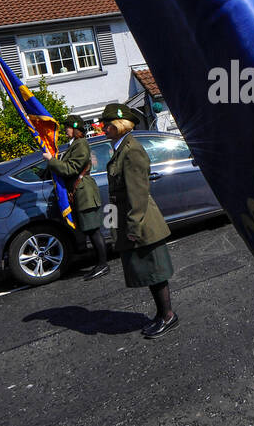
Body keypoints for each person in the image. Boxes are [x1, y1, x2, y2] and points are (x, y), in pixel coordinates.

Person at [100, 103, 180, 337]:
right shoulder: (120, 149)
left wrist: (132, 228)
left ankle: (168, 316)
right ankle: (161, 314)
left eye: (107, 124)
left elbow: (138, 195)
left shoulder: (131, 150)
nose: (103, 127)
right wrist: (112, 225)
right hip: (129, 220)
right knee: (148, 272)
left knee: (155, 271)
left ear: (119, 125)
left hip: (142, 223)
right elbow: (115, 195)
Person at [44, 115, 108, 281]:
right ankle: (100, 263)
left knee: (93, 229)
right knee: (89, 229)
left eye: (68, 127)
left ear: (76, 129)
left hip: (84, 191)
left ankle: (103, 264)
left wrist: (52, 161)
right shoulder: (74, 145)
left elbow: (71, 169)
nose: (65, 129)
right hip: (79, 192)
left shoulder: (81, 145)